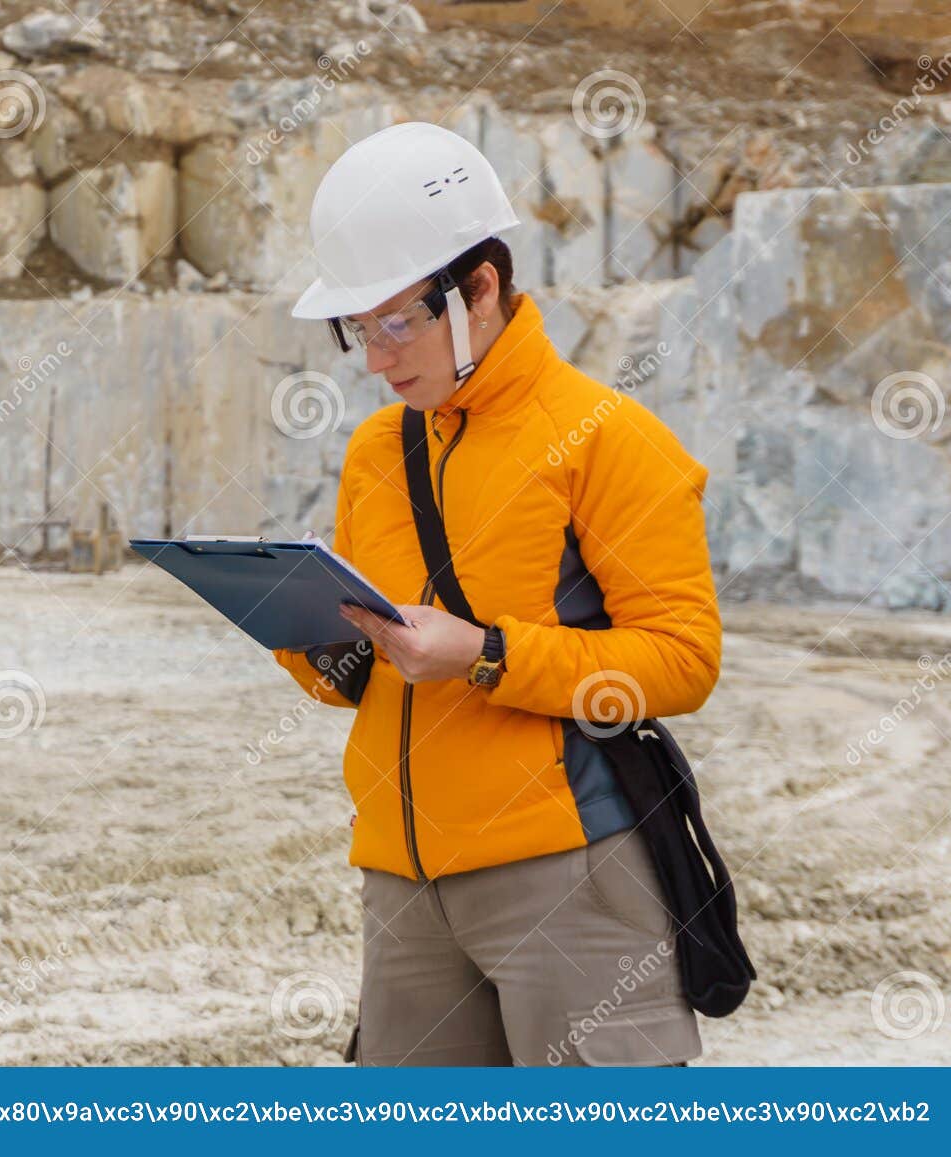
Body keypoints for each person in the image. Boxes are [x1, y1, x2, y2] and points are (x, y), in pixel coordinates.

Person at [275, 122, 722, 1067]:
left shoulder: (606, 438)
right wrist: (303, 634)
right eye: (361, 329)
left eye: (399, 321)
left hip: (568, 872)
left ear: (480, 288)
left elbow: (683, 660)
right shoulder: (377, 452)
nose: (378, 358)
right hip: (402, 879)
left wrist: (484, 655)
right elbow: (361, 670)